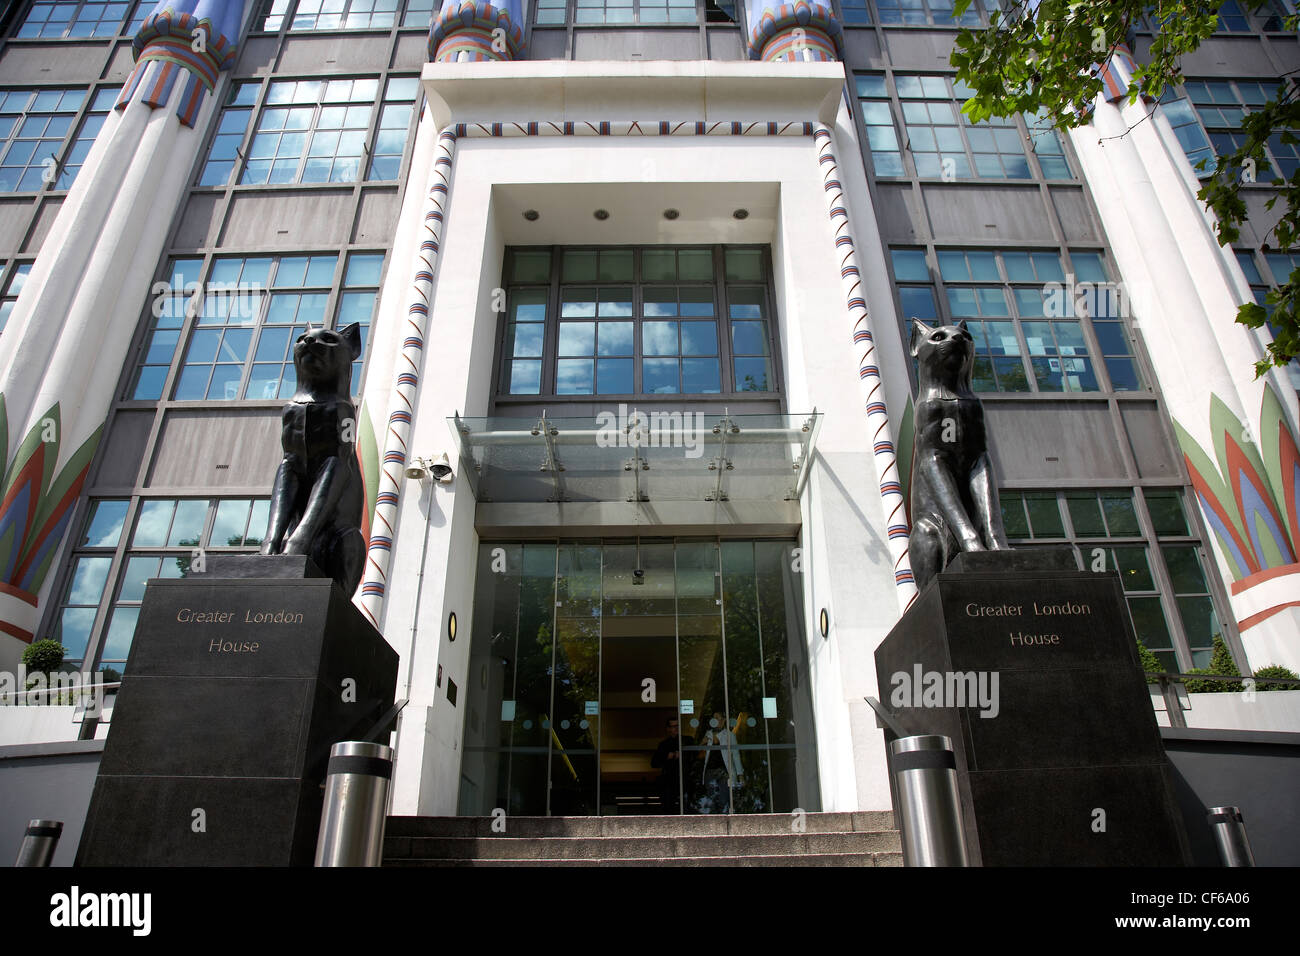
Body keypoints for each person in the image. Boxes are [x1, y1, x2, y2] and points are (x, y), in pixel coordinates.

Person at [697, 712, 742, 814]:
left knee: (723, 798)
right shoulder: (708, 734)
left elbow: (735, 755)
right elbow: (698, 754)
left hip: (724, 771)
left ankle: (724, 820)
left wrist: (740, 774)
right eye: (713, 717)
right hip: (710, 771)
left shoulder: (729, 735)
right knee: (711, 799)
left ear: (723, 719)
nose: (715, 720)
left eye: (717, 717)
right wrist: (702, 743)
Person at [651, 716, 693, 813]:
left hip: (685, 781)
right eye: (673, 726)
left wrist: (682, 754)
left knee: (686, 808)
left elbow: (694, 757)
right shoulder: (664, 745)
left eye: (677, 726)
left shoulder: (687, 740)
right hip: (669, 781)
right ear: (668, 729)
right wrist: (667, 756)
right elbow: (654, 763)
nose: (675, 729)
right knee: (669, 807)